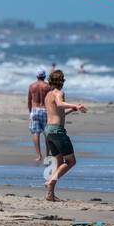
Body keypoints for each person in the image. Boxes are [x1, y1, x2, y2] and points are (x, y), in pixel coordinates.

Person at [43, 70, 87, 201]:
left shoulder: (48, 95)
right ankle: (50, 181)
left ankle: (50, 194)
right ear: (61, 81)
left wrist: (71, 110)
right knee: (70, 161)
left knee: (58, 162)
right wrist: (76, 105)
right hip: (57, 131)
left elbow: (58, 113)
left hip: (48, 130)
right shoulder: (59, 93)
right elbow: (59, 104)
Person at [27, 68, 50, 162]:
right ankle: (47, 155)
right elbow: (50, 100)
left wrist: (30, 111)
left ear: (37, 76)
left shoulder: (31, 86)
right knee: (47, 133)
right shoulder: (48, 86)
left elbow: (29, 100)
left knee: (36, 133)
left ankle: (39, 155)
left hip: (34, 109)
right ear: (44, 76)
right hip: (45, 109)